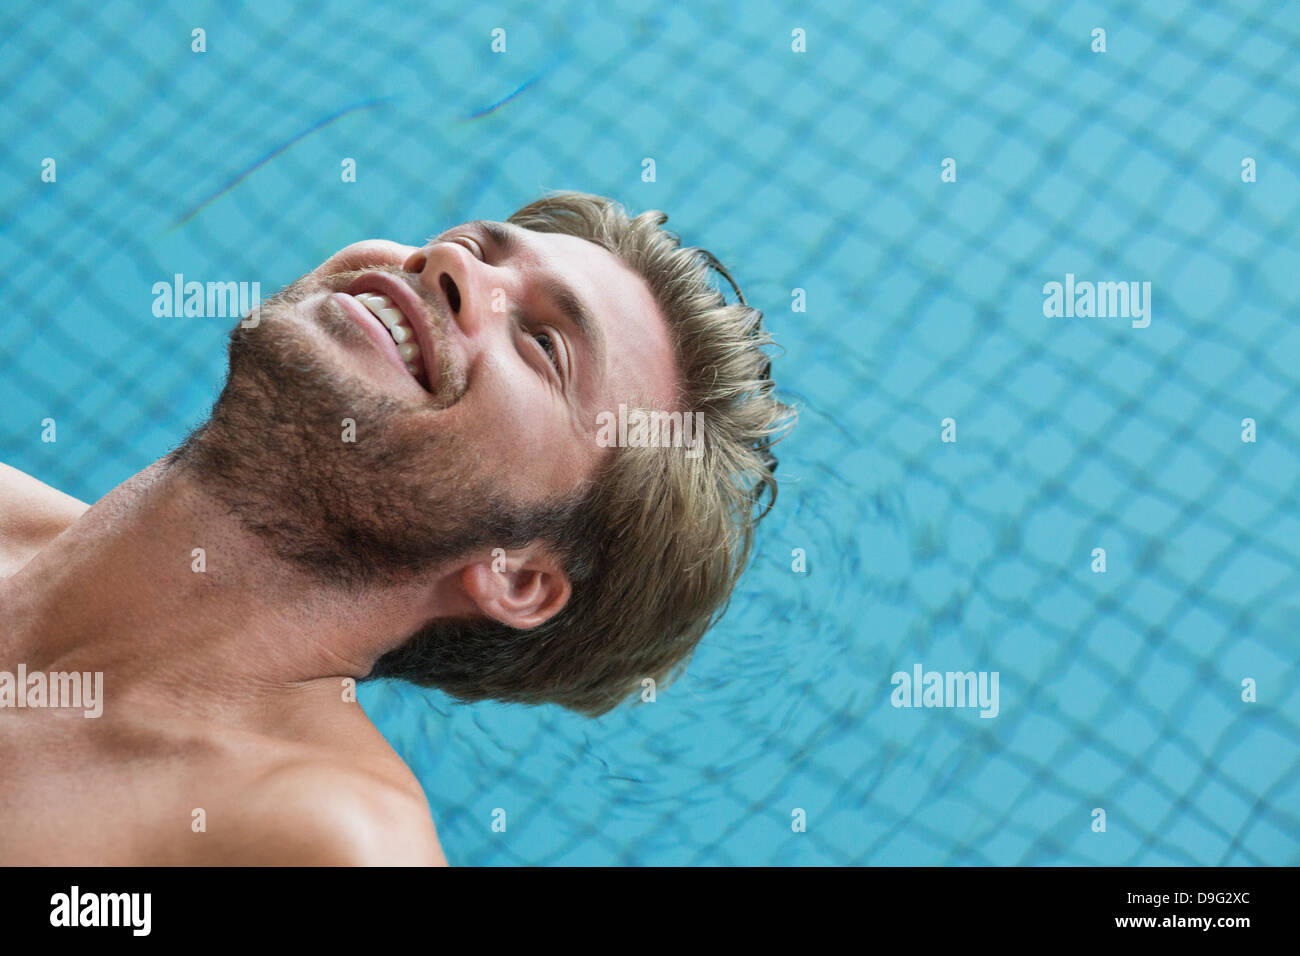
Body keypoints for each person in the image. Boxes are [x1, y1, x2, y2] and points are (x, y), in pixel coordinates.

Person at [0, 191, 793, 865]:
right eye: (467, 246)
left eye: (544, 344)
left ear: (515, 575)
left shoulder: (318, 841)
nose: (453, 267)